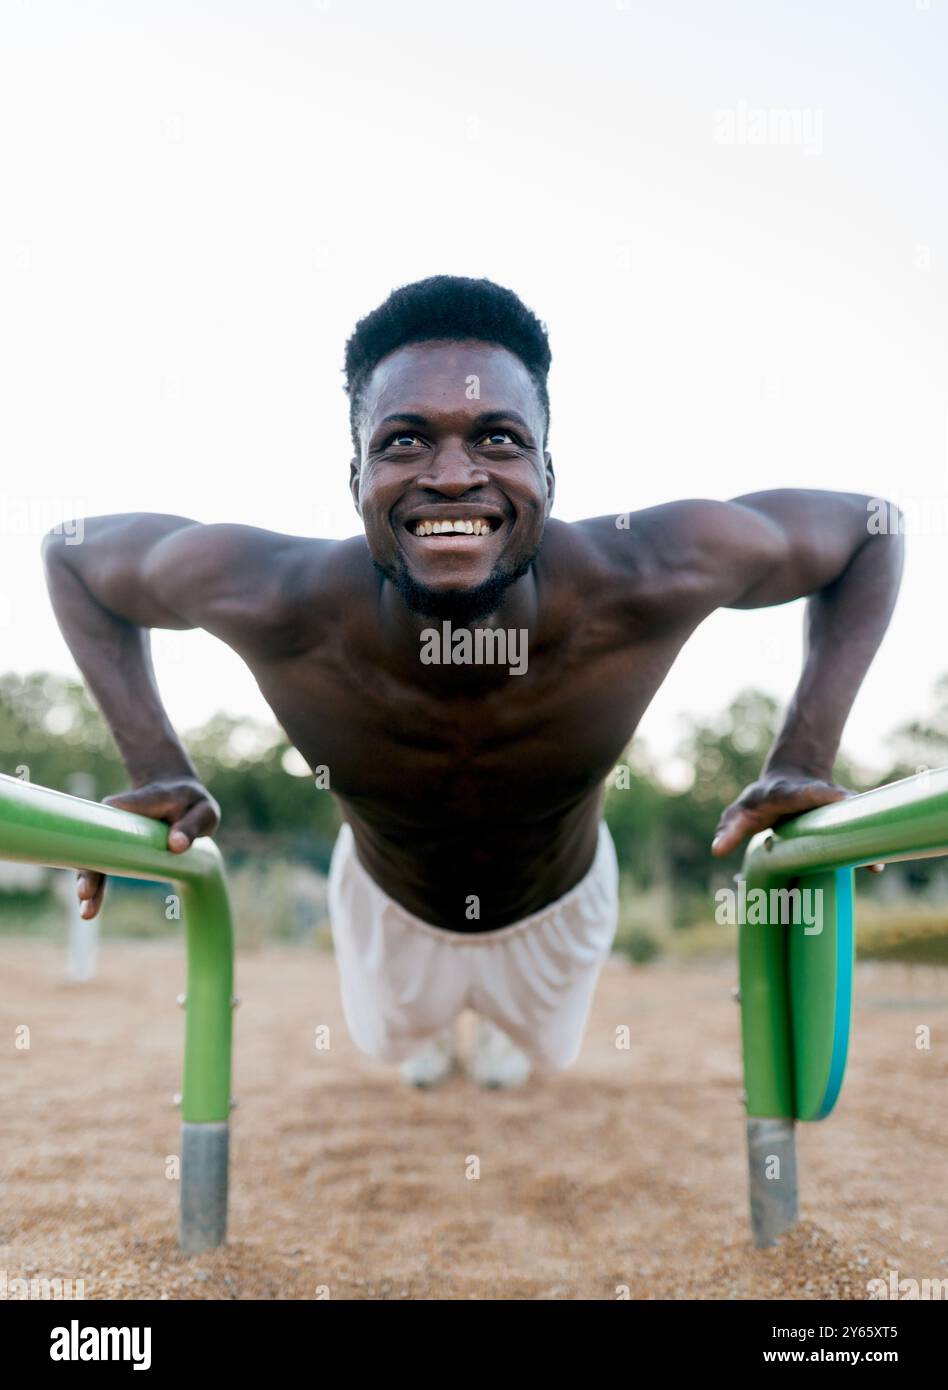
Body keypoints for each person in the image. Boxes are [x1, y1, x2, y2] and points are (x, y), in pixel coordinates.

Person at [42, 275, 903, 1089]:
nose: (452, 476)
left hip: (559, 907)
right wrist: (157, 762)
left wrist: (803, 751)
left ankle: (493, 1029)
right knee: (393, 1044)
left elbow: (872, 532)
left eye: (497, 437)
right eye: (405, 440)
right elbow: (72, 554)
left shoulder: (649, 573)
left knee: (538, 1056)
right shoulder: (274, 594)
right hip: (387, 905)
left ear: (549, 476)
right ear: (356, 482)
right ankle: (434, 1036)